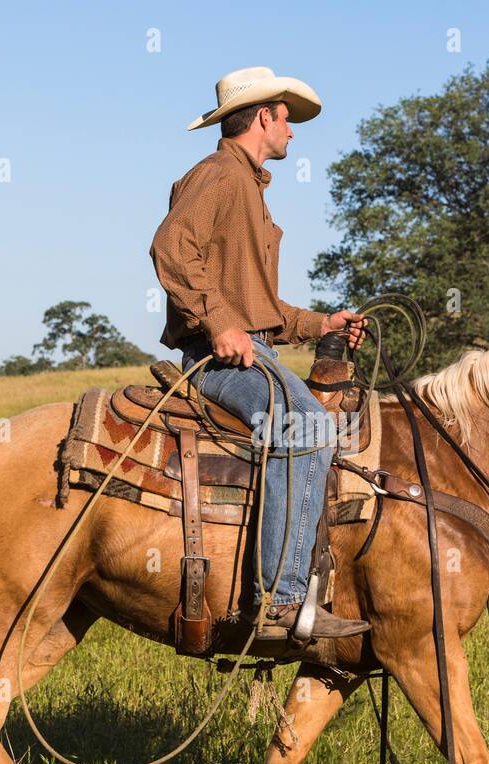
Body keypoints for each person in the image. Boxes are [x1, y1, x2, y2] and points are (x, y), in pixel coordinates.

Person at [150, 67, 370, 641]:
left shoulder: (249, 186)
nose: (294, 132)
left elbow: (261, 305)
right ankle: (278, 602)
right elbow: (170, 248)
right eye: (288, 118)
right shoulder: (220, 175)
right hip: (215, 356)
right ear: (265, 116)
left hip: (251, 349)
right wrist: (219, 321)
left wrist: (322, 322)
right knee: (307, 429)